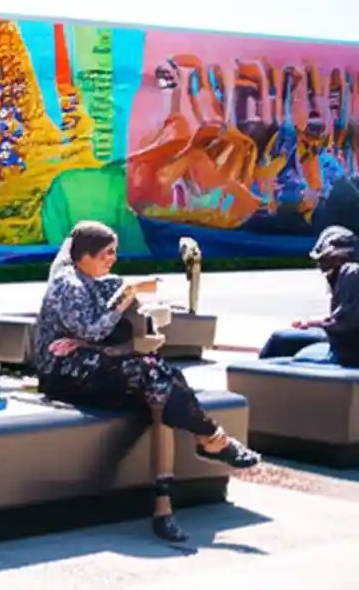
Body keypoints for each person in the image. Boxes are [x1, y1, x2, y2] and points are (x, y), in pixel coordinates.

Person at [35, 221, 260, 543]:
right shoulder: (67, 282)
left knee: (159, 377)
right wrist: (126, 296)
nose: (112, 259)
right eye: (105, 253)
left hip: (91, 366)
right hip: (63, 374)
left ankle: (168, 499)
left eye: (114, 252)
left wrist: (127, 318)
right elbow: (92, 329)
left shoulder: (95, 281)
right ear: (83, 255)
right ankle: (212, 438)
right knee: (153, 376)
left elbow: (105, 337)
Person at [259, 225, 359, 366]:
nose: (321, 266)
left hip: (348, 354)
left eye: (322, 260)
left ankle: (260, 383)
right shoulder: (347, 273)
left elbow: (346, 324)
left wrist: (315, 324)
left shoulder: (351, 273)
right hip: (347, 346)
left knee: (279, 340)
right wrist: (313, 324)